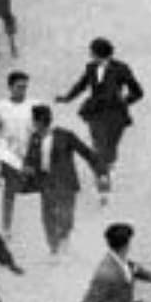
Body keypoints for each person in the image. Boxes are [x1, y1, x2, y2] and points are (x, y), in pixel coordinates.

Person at [23, 103, 106, 251]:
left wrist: (101, 172)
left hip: (66, 183)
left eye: (35, 121)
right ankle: (54, 248)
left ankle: (63, 241)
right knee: (48, 219)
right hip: (46, 184)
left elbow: (87, 153)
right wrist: (27, 167)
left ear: (40, 121)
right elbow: (29, 158)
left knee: (65, 217)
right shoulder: (34, 138)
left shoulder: (65, 136)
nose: (34, 124)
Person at [57, 39, 144, 178]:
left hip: (115, 114)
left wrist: (124, 102)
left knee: (110, 147)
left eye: (92, 52)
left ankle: (106, 165)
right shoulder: (90, 68)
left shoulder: (121, 68)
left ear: (99, 53)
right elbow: (81, 85)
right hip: (95, 112)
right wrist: (67, 98)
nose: (90, 54)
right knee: (99, 143)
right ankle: (103, 175)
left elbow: (138, 92)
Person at [0, 71, 33, 237]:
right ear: (10, 88)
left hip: (30, 152)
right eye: (19, 87)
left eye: (25, 87)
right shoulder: (0, 107)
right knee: (10, 190)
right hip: (9, 153)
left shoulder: (33, 105)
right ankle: (7, 226)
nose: (22, 90)